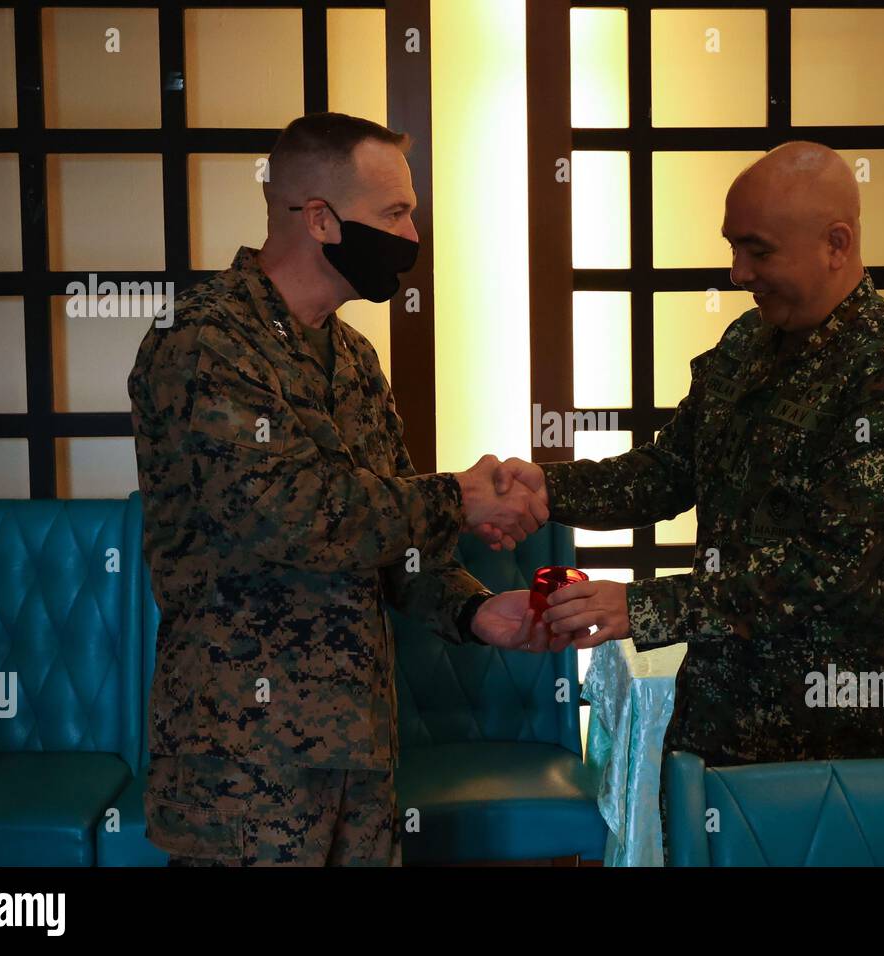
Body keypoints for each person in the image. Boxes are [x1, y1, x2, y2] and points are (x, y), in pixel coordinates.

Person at [128, 113, 573, 866]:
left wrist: (472, 609)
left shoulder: (354, 357)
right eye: (394, 213)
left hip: (360, 757)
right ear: (320, 219)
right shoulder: (202, 340)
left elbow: (390, 539)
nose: (410, 233)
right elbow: (291, 516)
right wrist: (458, 497)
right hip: (243, 771)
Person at [494, 141, 884, 768]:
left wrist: (642, 605)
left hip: (832, 730)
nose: (738, 273)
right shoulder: (750, 340)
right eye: (732, 247)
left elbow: (829, 567)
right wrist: (549, 490)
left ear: (837, 244)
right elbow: (672, 468)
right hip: (720, 705)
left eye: (758, 249)